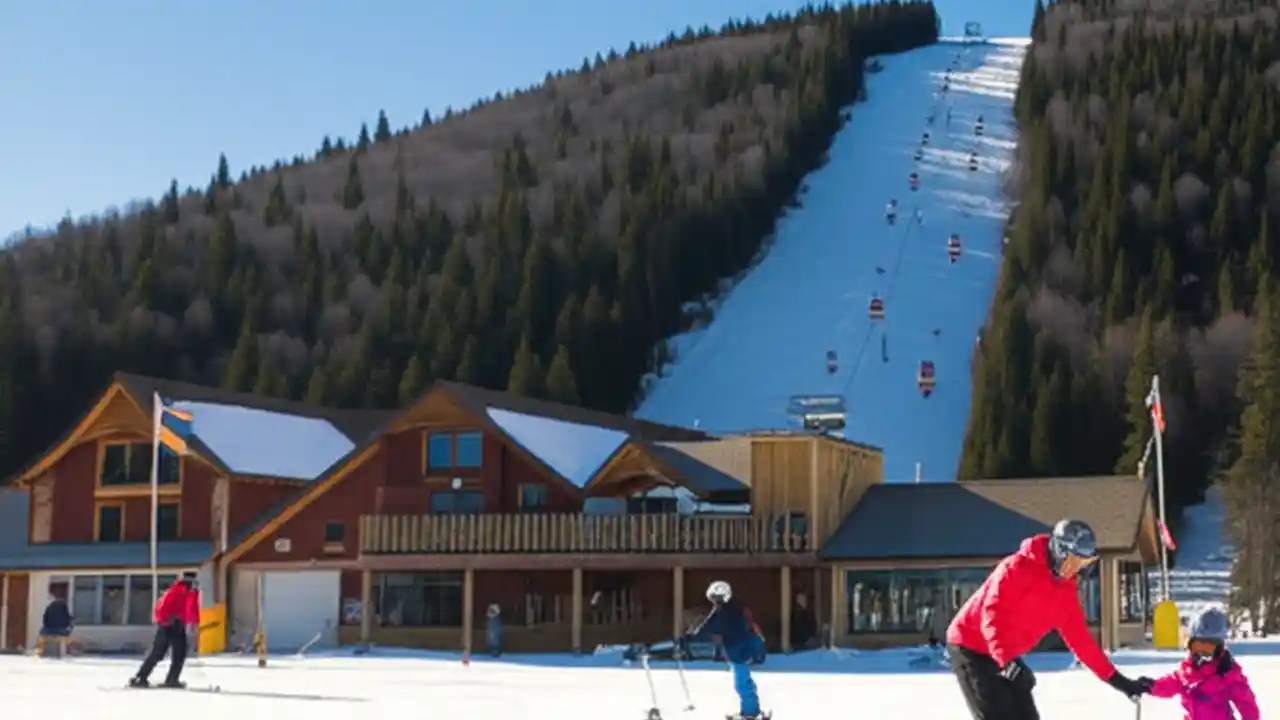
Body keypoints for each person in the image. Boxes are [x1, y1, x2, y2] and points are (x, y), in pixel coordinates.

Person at [946, 519, 1148, 720]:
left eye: (1083, 564)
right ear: (1059, 552)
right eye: (1074, 561)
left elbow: (1083, 644)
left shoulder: (1066, 594)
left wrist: (1121, 682)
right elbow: (992, 616)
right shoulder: (1017, 568)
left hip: (1003, 652)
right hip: (970, 645)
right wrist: (1006, 661)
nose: (1076, 569)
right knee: (997, 712)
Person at [1141, 605, 1258, 720]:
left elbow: (1247, 705)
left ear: (1219, 649)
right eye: (1198, 646)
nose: (1203, 654)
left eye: (1209, 648)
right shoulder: (1188, 672)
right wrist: (1151, 686)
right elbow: (1170, 684)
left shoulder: (1229, 675)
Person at [685, 581, 767, 720]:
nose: (714, 603)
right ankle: (752, 709)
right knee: (744, 680)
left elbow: (712, 626)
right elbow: (710, 624)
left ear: (723, 598)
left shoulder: (726, 612)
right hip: (742, 648)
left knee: (742, 683)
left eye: (716, 599)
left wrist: (694, 634)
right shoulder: (733, 608)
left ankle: (750, 712)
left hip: (739, 650)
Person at [130, 572, 200, 688]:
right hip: (169, 625)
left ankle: (172, 679)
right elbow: (163, 608)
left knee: (179, 654)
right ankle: (140, 677)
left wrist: (193, 623)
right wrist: (168, 619)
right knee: (158, 653)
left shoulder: (189, 592)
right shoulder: (177, 590)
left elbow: (192, 609)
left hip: (178, 625)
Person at [37, 592, 73, 658]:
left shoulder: (49, 607)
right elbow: (68, 619)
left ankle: (40, 652)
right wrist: (68, 629)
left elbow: (44, 619)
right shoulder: (64, 607)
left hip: (48, 630)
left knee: (41, 634)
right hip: (61, 630)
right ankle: (68, 651)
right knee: (67, 637)